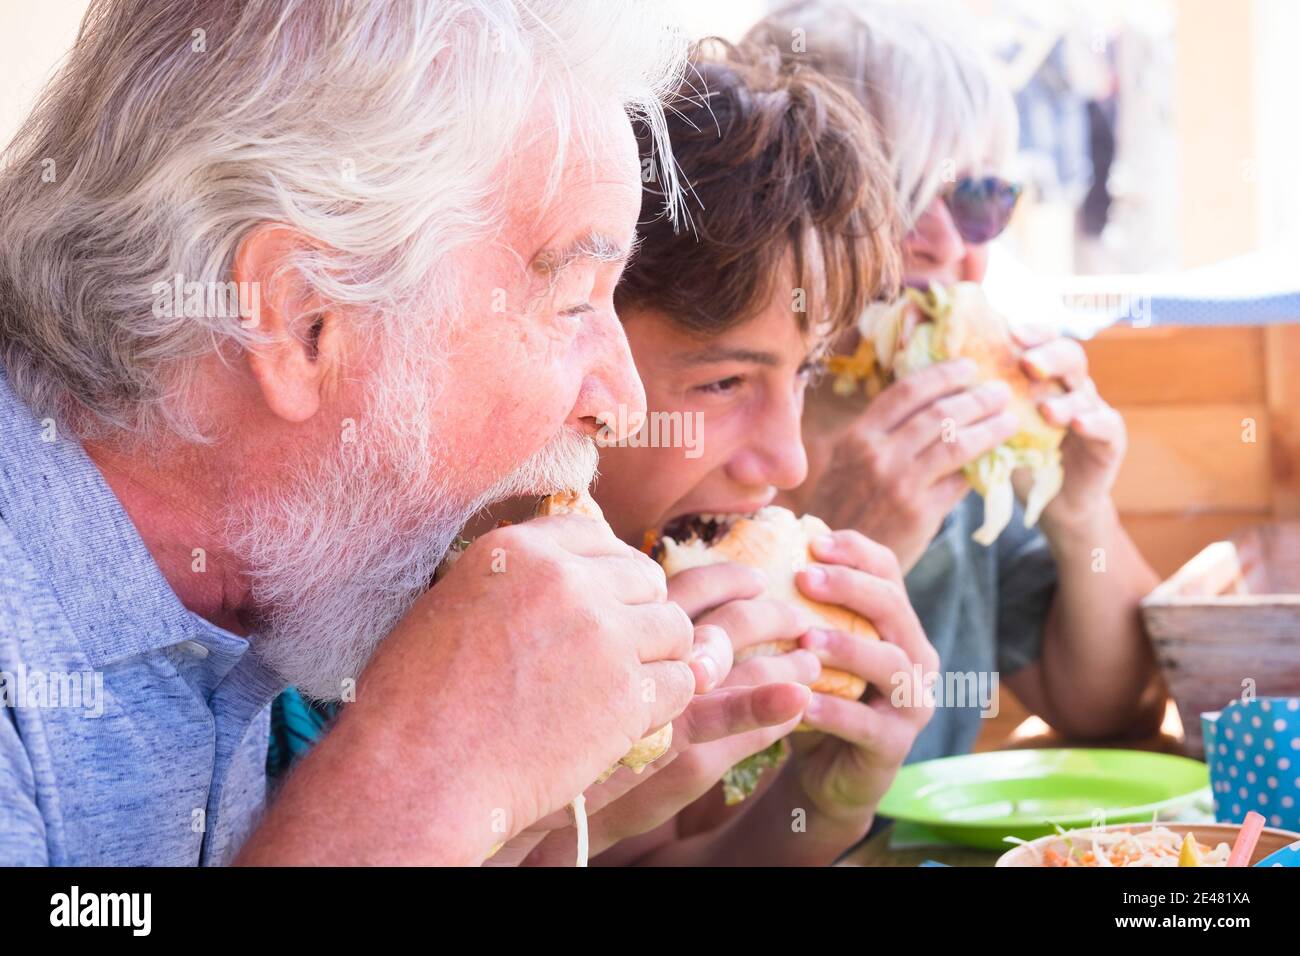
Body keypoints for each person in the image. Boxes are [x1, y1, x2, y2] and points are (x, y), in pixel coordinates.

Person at [0, 0, 801, 866]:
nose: (622, 400)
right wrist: (424, 775)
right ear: (303, 319)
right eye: (572, 303)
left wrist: (517, 825)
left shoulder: (272, 590)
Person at [479, 39, 937, 867]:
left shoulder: (647, 583)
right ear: (579, 338)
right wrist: (562, 822)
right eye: (725, 383)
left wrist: (819, 802)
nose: (791, 462)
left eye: (807, 372)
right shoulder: (448, 598)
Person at [746, 0, 1166, 762]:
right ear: (771, 214)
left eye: (979, 201)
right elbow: (677, 815)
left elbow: (1110, 708)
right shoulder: (700, 459)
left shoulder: (964, 457)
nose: (943, 243)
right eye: (896, 198)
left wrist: (1078, 513)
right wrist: (840, 557)